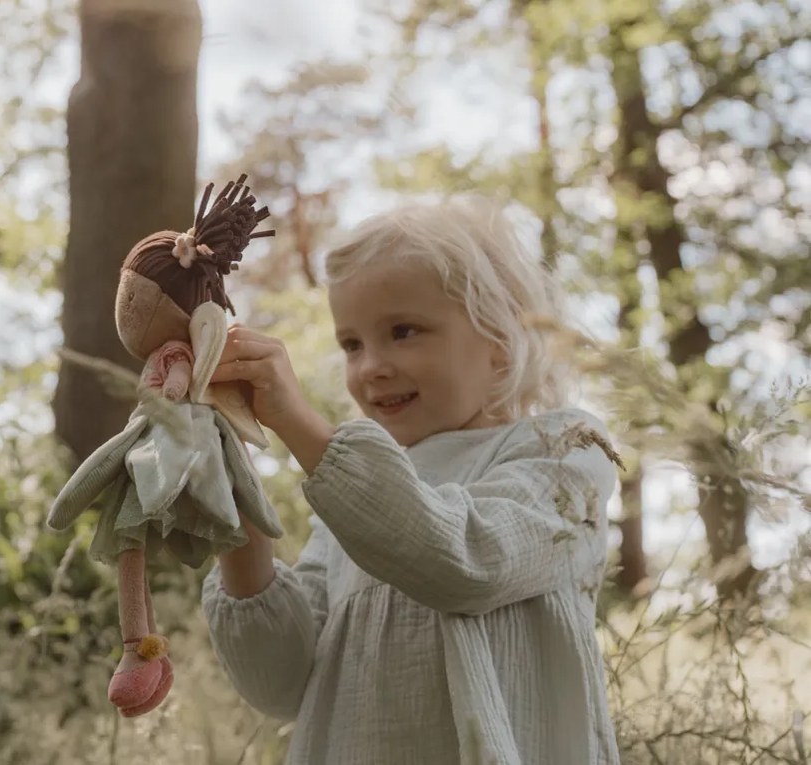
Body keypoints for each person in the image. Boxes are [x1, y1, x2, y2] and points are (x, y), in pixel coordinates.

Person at [201, 197, 622, 764]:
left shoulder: (563, 451)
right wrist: (235, 486)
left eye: (403, 331)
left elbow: (465, 560)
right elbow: (279, 683)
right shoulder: (347, 507)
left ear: (500, 344)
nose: (370, 365)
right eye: (351, 344)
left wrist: (296, 422)